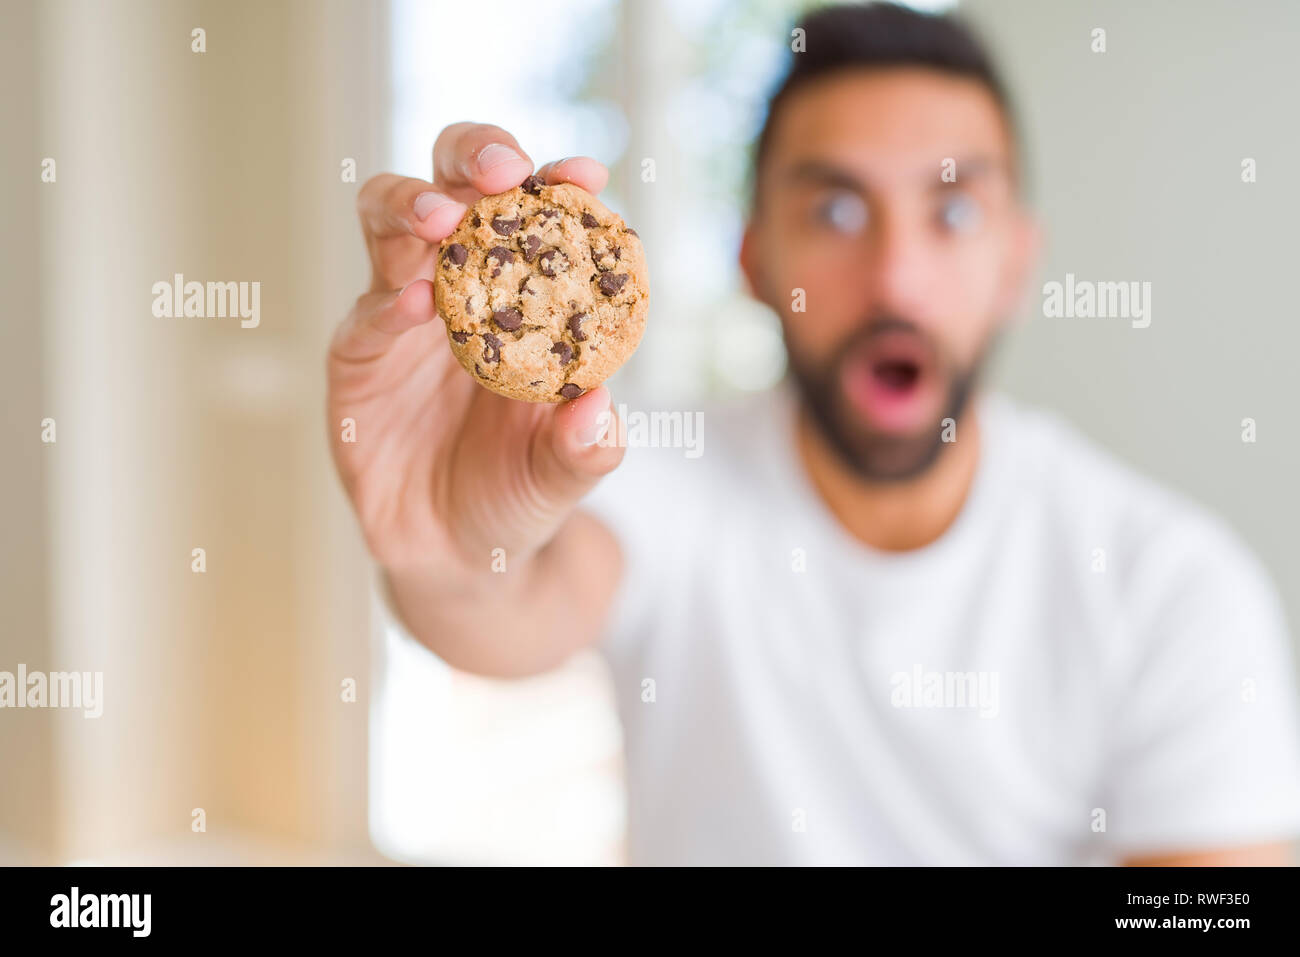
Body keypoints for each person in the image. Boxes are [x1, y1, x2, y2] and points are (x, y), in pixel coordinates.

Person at [327, 3, 1300, 865]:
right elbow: (520, 602)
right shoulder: (654, 475)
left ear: (1014, 263)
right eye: (833, 209)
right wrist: (450, 556)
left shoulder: (1171, 586)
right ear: (754, 258)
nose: (894, 280)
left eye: (952, 210)